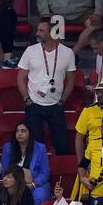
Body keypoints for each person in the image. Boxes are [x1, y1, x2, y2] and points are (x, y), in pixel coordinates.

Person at [18, 18, 76, 157]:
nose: (37, 33)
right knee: (34, 145)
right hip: (34, 104)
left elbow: (71, 80)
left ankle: (64, 173)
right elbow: (20, 77)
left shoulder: (67, 52)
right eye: (38, 30)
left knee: (62, 144)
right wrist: (27, 99)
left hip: (56, 105)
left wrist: (61, 102)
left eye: (41, 30)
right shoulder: (30, 51)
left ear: (52, 32)